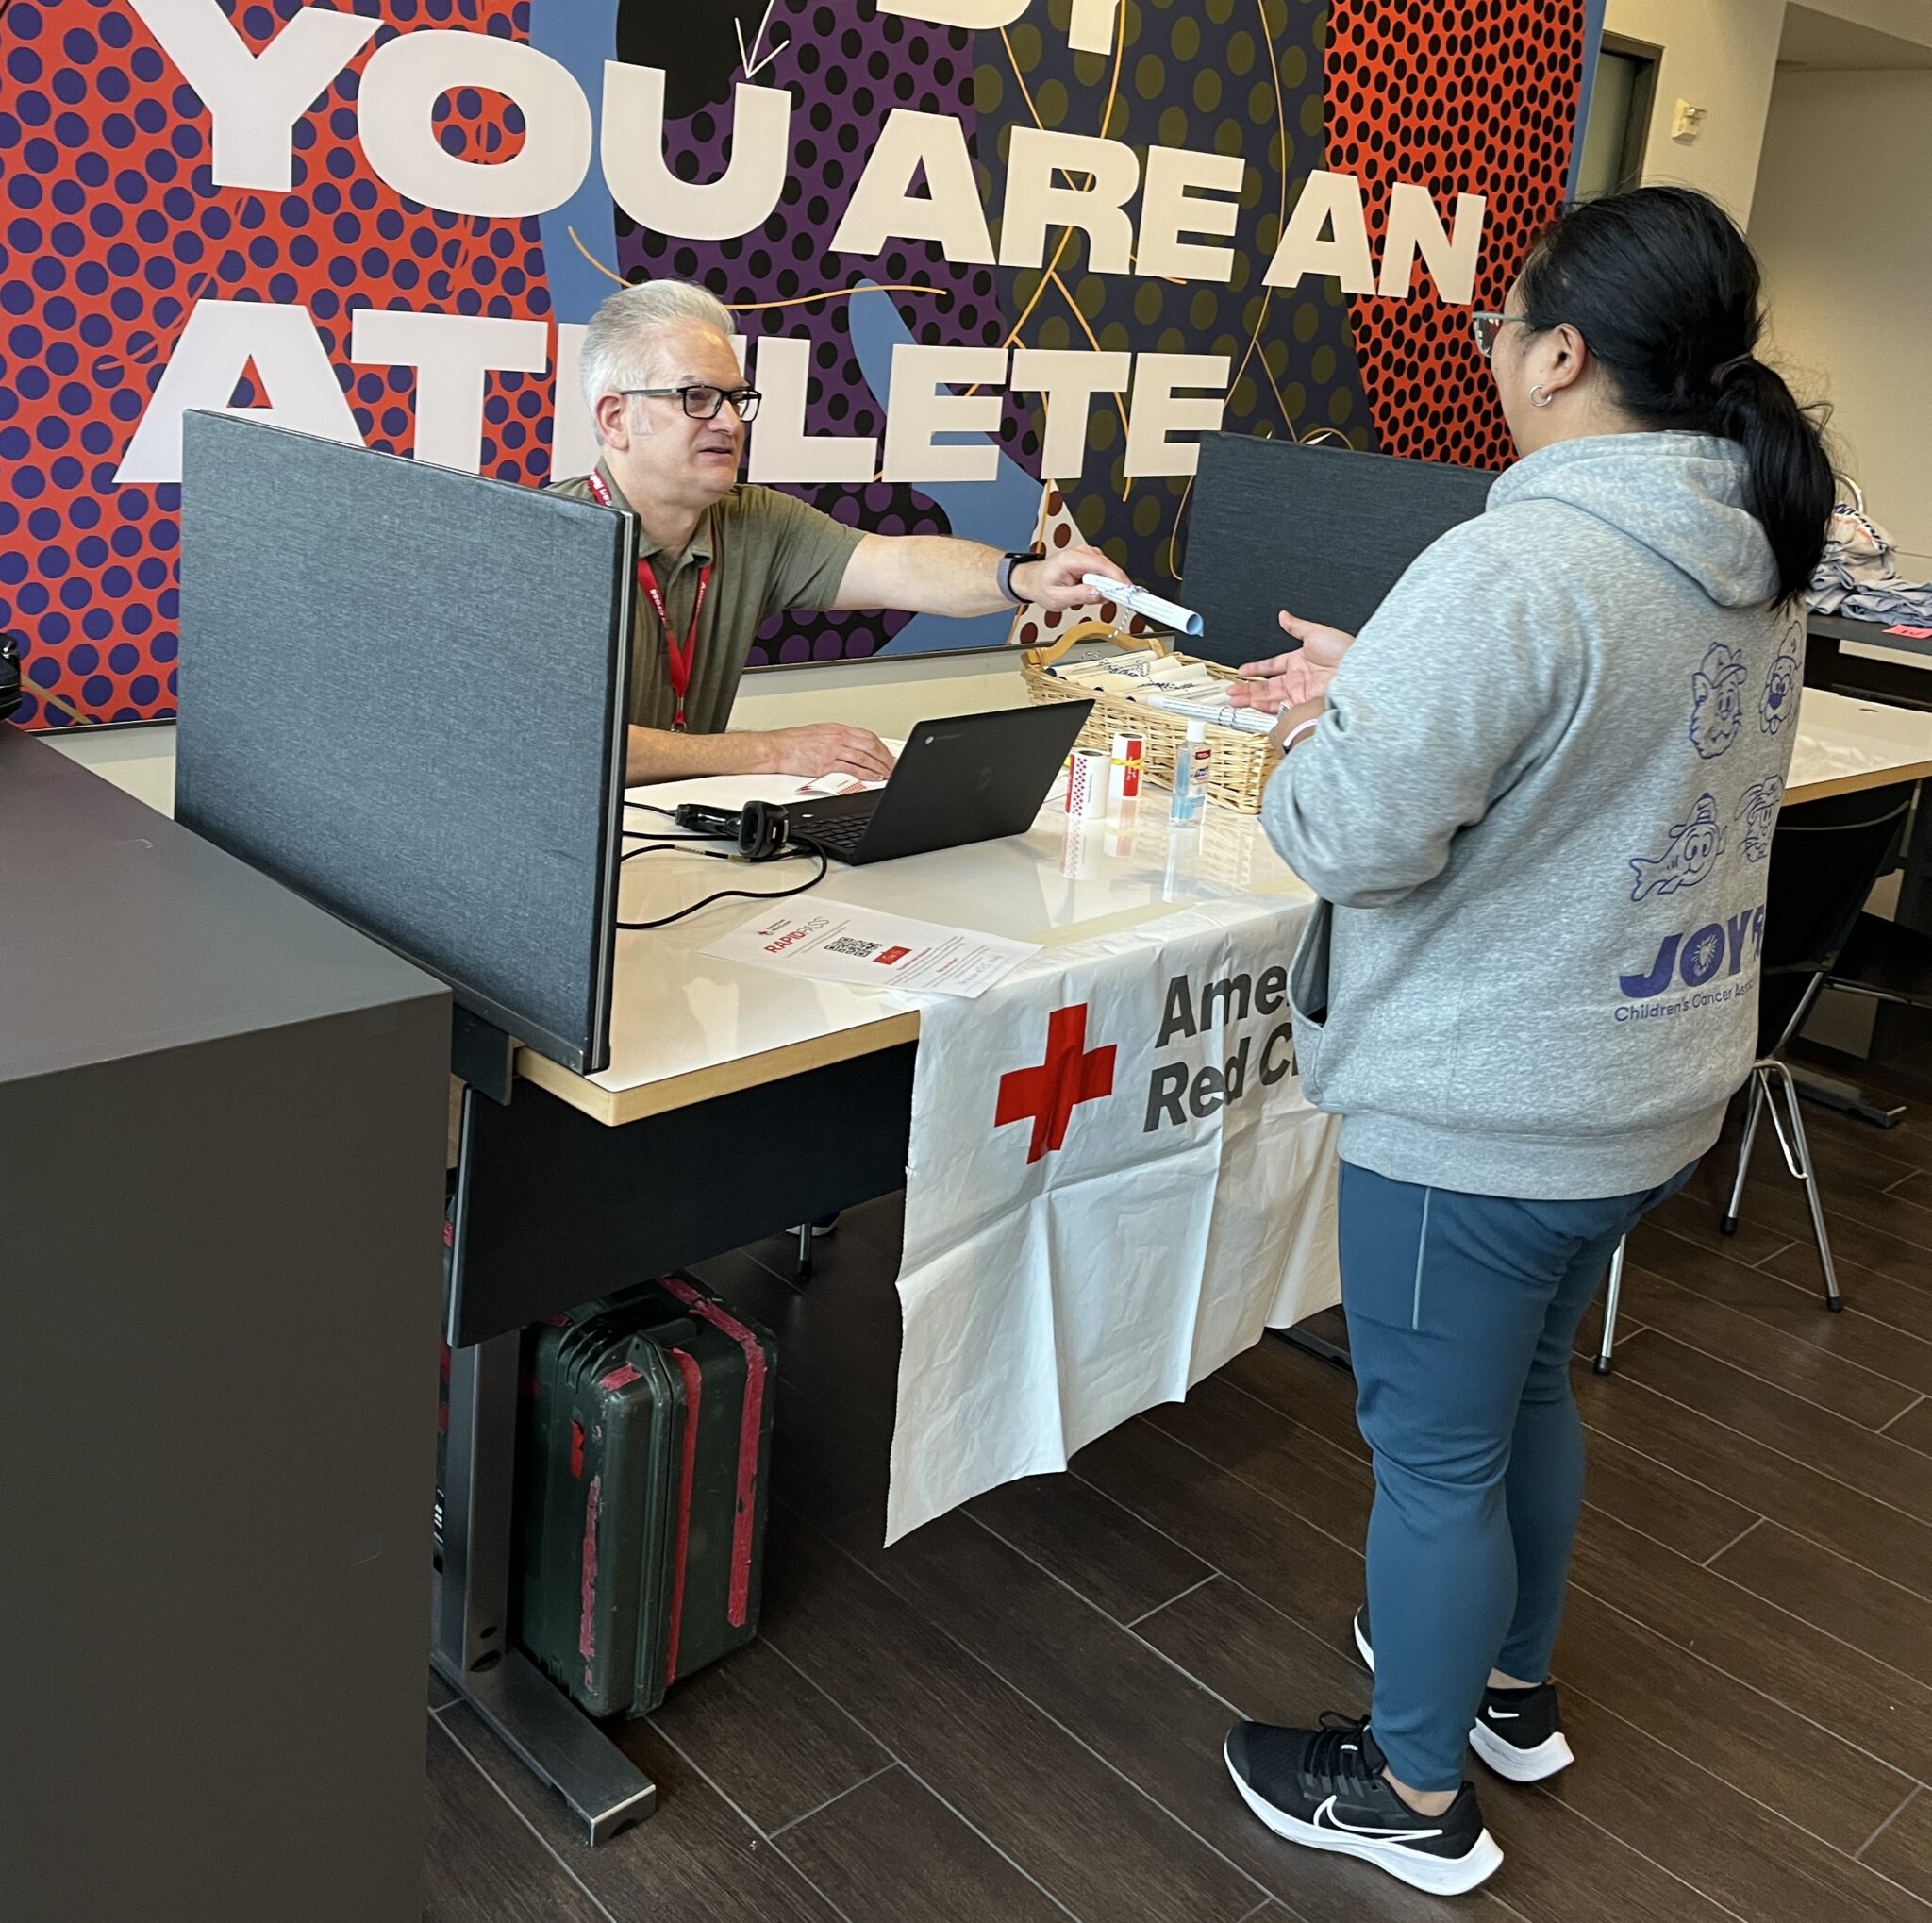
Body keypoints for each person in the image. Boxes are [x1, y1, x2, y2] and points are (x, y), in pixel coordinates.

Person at [1218, 186, 1833, 1896]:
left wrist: (1304, 740)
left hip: (1481, 1108)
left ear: (1558, 351)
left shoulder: (1512, 562)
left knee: (1430, 1460)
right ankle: (1505, 1694)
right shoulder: (1749, 547)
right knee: (1522, 1401)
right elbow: (1589, 743)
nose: (1491, 347)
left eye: (1503, 321)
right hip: (1642, 1089)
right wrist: (1393, 684)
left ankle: (1409, 1794)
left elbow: (1348, 835)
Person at [553, 280, 1127, 786]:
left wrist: (1025, 576)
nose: (728, 422)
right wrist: (774, 751)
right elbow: (563, 743)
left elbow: (898, 567)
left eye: (735, 399)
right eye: (696, 398)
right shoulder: (541, 545)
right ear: (615, 418)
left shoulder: (754, 520)